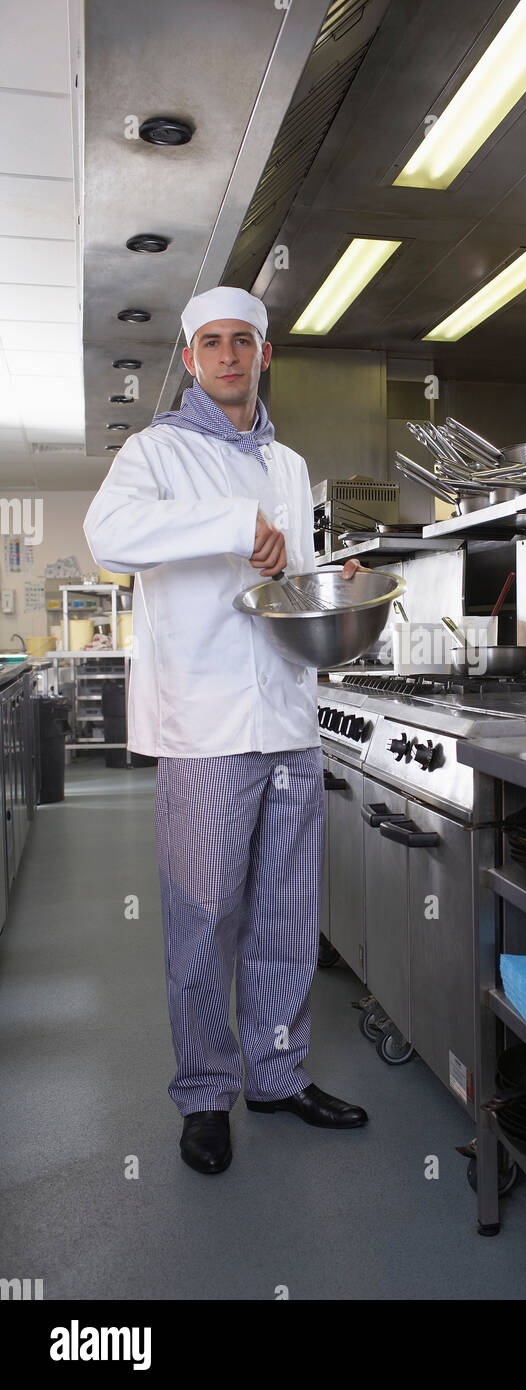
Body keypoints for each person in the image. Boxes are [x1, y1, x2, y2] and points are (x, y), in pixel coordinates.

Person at [84, 286, 368, 1175]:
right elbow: (109, 535)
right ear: (192, 357)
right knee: (205, 915)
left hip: (285, 714)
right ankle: (205, 1092)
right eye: (211, 343)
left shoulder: (287, 463)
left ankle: (277, 1076)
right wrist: (229, 526)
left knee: (288, 917)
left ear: (265, 354)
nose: (228, 356)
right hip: (203, 721)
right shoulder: (156, 449)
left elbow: (289, 572)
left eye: (242, 341)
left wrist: (335, 574)